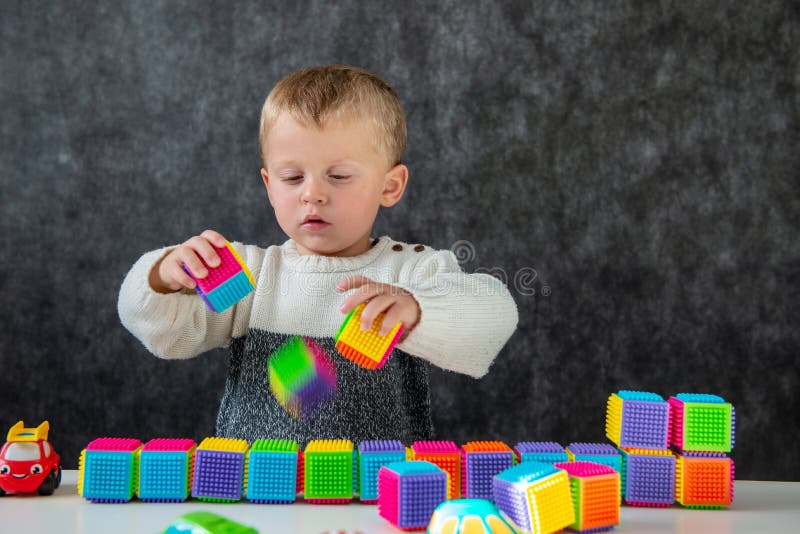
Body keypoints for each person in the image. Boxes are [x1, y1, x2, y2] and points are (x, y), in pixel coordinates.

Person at [118, 65, 518, 446]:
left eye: (339, 176)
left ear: (390, 186)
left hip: (380, 492)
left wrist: (416, 311)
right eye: (292, 178)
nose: (312, 194)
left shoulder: (409, 272)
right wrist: (162, 277)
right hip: (255, 486)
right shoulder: (249, 274)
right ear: (269, 187)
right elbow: (165, 337)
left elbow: (493, 319)